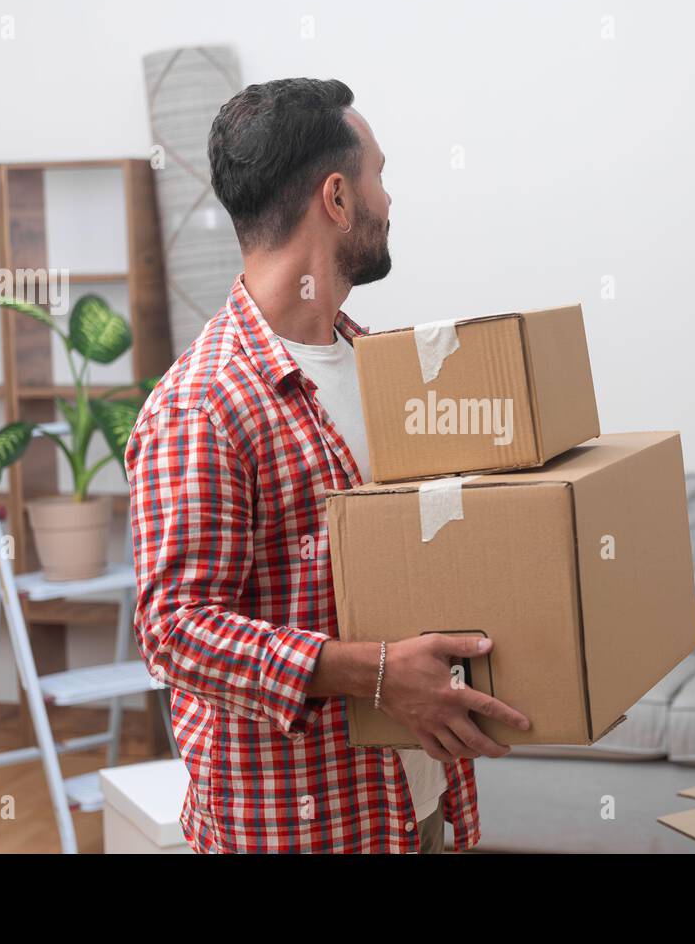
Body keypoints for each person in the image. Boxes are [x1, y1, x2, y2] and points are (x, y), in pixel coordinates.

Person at [125, 78, 530, 853]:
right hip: (298, 826)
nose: (390, 200)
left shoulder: (380, 365)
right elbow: (174, 631)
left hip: (414, 800)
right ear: (337, 198)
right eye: (381, 174)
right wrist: (374, 672)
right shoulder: (203, 404)